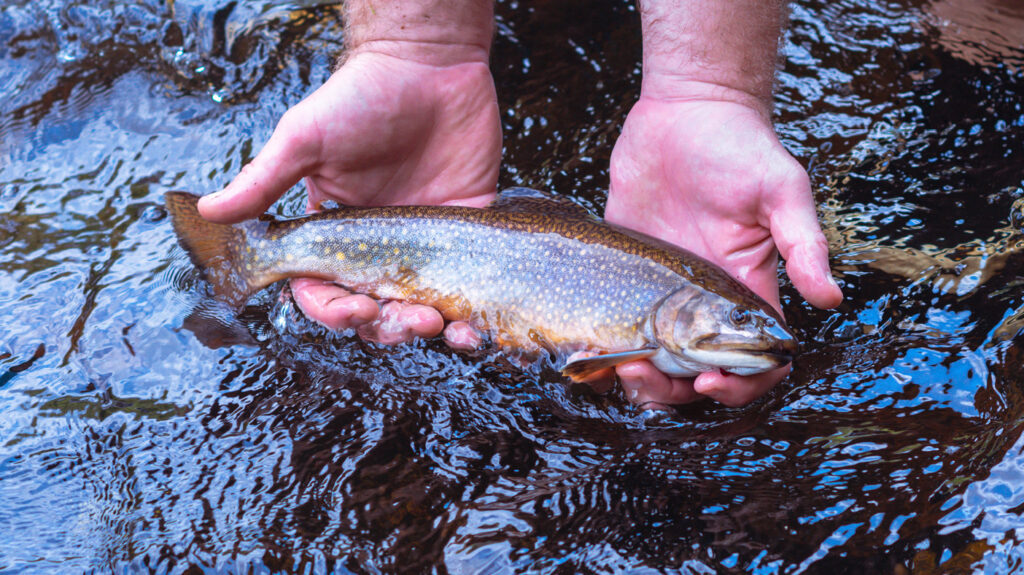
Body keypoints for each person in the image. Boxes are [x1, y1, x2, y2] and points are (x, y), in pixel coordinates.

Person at [196, 0, 844, 408]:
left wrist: (709, 91)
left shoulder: (672, 301)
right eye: (740, 324)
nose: (762, 338)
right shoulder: (661, 312)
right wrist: (413, 46)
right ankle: (250, 258)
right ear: (686, 309)